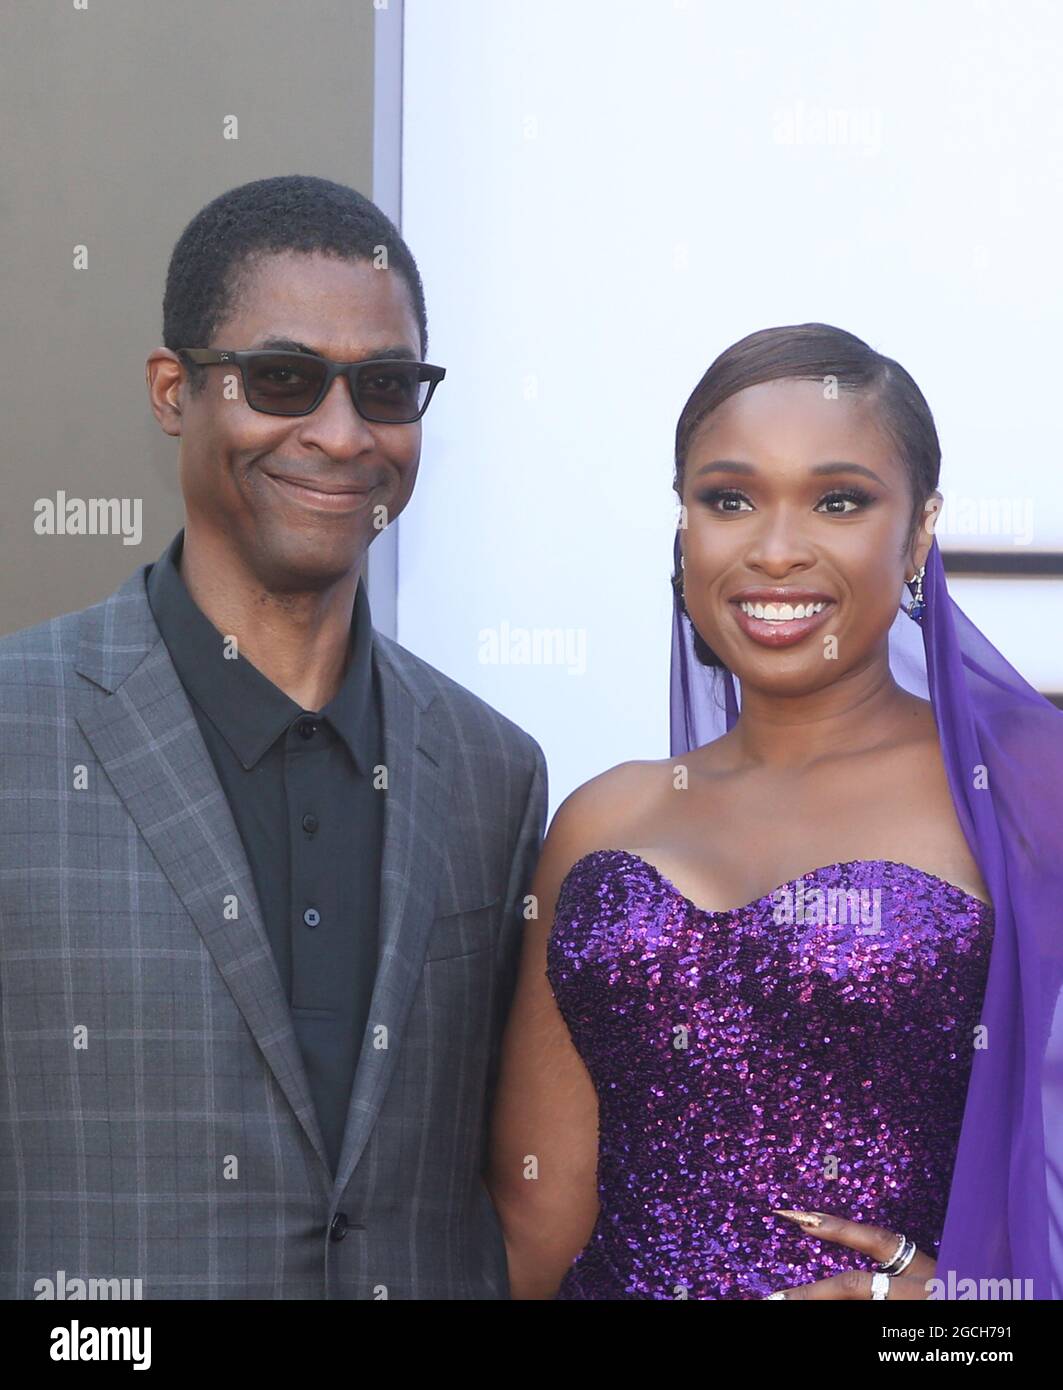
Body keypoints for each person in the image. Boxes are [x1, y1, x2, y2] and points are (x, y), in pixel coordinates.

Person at [0, 174, 546, 1300]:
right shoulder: (15, 726)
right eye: (284, 378)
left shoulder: (494, 769)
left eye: (386, 387)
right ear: (173, 391)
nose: (342, 435)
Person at [487, 323, 1063, 1300]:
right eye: (728, 499)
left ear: (920, 529)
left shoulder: (1026, 792)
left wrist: (959, 1323)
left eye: (837, 500)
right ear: (684, 526)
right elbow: (530, 1222)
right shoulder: (600, 821)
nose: (776, 549)